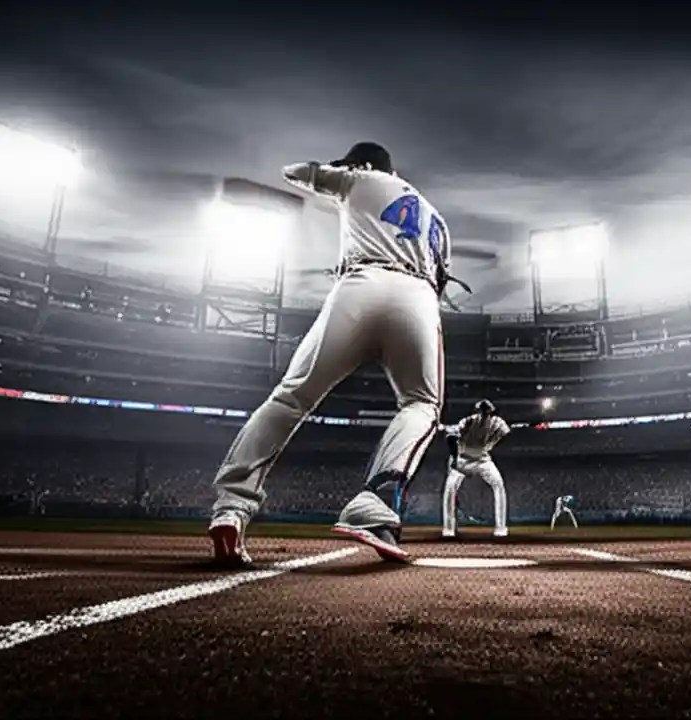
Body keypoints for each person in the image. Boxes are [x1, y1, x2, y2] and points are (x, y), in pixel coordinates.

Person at [208, 141, 451, 566]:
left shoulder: (361, 179)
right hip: (418, 297)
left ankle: (232, 506)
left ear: (365, 163)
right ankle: (375, 501)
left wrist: (340, 172)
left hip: (361, 285)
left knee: (291, 397)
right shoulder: (438, 221)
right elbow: (442, 279)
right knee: (421, 404)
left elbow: (295, 171)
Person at [441, 400, 511, 538]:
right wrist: (454, 459)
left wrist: (491, 443)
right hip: (463, 458)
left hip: (482, 459)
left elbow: (506, 432)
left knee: (498, 484)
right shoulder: (467, 421)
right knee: (450, 488)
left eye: (487, 411)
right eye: (482, 411)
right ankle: (448, 529)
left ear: (491, 411)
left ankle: (501, 528)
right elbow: (450, 437)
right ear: (478, 411)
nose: (484, 414)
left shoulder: (497, 422)